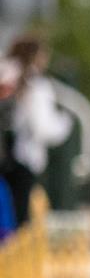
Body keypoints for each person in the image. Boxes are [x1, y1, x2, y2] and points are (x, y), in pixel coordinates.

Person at [0, 37, 73, 226]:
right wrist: (65, 123)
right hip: (21, 158)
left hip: (7, 155)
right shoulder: (35, 85)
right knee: (18, 218)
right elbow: (43, 127)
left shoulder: (7, 77)